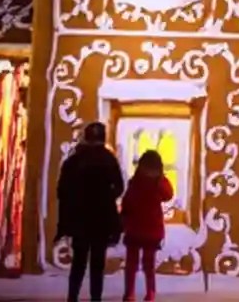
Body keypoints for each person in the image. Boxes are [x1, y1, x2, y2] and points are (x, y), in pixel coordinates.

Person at [56, 122, 125, 302]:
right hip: (101, 219)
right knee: (97, 264)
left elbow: (62, 191)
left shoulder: (74, 160)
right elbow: (119, 187)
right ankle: (95, 298)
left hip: (80, 218)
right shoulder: (108, 159)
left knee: (78, 263)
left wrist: (68, 215)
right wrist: (105, 197)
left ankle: (72, 298)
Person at [119, 150, 174, 301]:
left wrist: (123, 221)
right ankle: (149, 292)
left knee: (133, 264)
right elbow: (169, 195)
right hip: (151, 229)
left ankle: (131, 293)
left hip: (136, 228)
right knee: (147, 265)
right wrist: (161, 179)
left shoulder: (135, 182)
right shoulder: (157, 183)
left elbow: (127, 204)